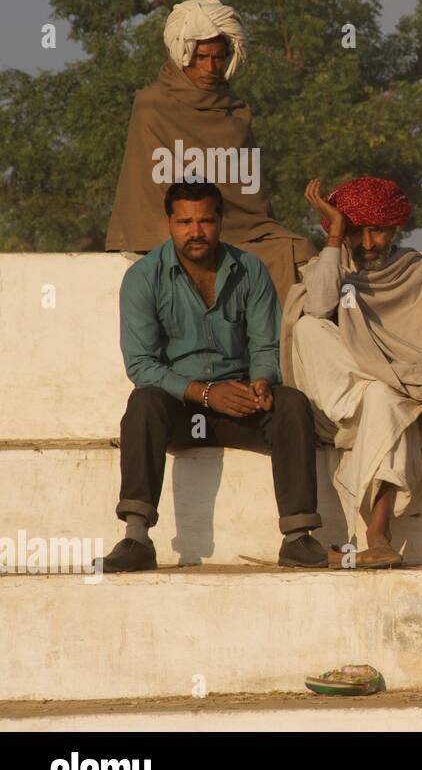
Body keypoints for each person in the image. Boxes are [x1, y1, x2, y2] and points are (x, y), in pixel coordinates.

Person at [102, 179, 326, 572]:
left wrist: (260, 380)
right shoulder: (143, 278)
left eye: (205, 221)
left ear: (221, 220)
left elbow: (265, 346)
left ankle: (298, 538)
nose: (196, 232)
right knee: (142, 402)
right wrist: (205, 394)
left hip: (240, 404)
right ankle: (136, 537)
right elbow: (141, 365)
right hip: (181, 410)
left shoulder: (250, 270)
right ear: (169, 223)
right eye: (185, 222)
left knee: (291, 403)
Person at [281, 177, 422, 567]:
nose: (369, 243)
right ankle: (415, 392)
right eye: (359, 231)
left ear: (394, 228)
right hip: (340, 405)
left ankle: (378, 536)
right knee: (308, 326)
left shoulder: (413, 272)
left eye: (378, 231)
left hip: (387, 402)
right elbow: (321, 306)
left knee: (386, 400)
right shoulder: (329, 264)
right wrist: (336, 236)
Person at [105, 0, 311, 301]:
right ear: (183, 55)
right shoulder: (151, 105)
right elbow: (148, 189)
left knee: (296, 250)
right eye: (201, 57)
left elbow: (249, 194)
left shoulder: (237, 111)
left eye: (218, 57)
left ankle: (281, 345)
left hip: (237, 230)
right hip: (171, 231)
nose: (210, 67)